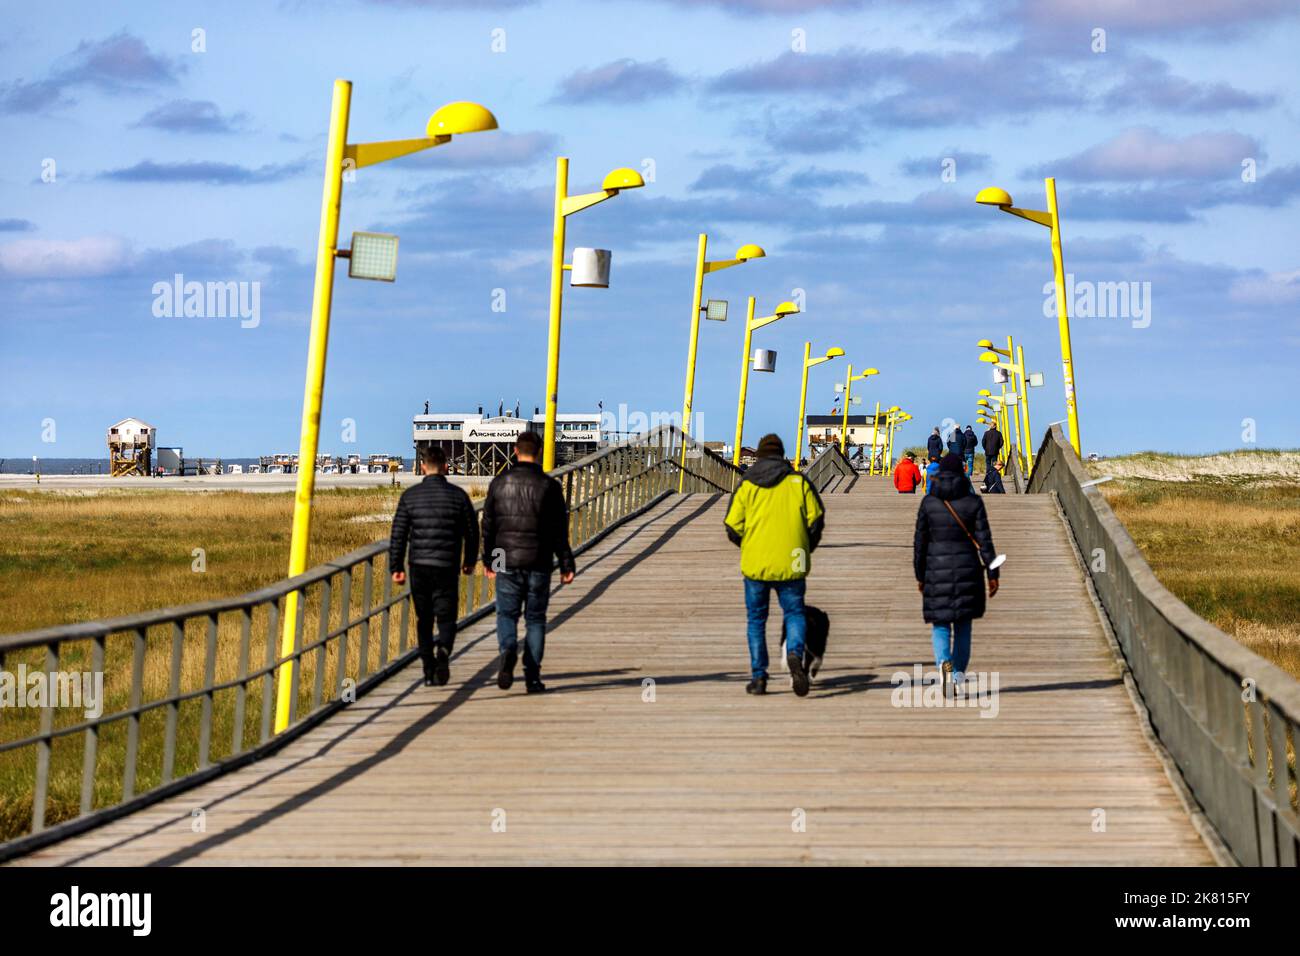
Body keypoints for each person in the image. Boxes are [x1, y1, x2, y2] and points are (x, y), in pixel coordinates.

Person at [724, 433, 825, 697]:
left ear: (757, 456)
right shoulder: (797, 482)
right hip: (793, 560)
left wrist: (747, 546)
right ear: (781, 455)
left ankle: (759, 678)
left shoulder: (747, 485)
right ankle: (794, 653)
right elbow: (816, 520)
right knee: (794, 613)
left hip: (756, 563)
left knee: (756, 620)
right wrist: (806, 548)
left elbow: (732, 525)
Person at [481, 431, 575, 693]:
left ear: (514, 451)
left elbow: (488, 526)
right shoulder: (549, 486)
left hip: (505, 559)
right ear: (541, 451)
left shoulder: (499, 484)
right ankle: (532, 677)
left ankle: (508, 649)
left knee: (506, 614)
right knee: (535, 619)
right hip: (539, 560)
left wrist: (488, 560)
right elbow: (559, 530)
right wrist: (567, 564)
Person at [389, 446, 480, 687]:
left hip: (419, 566)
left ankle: (428, 669)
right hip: (447, 565)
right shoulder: (458, 496)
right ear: (446, 467)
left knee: (424, 618)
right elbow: (472, 532)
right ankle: (444, 653)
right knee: (447, 616)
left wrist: (395, 566)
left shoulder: (410, 496)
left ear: (422, 467)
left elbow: (398, 534)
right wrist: (469, 561)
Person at [913, 453, 1000, 687]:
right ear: (963, 473)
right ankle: (957, 675)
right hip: (968, 572)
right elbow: (985, 542)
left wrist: (920, 575)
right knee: (963, 625)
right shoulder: (973, 503)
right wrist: (993, 574)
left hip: (935, 570)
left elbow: (920, 544)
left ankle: (944, 663)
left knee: (940, 624)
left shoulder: (929, 503)